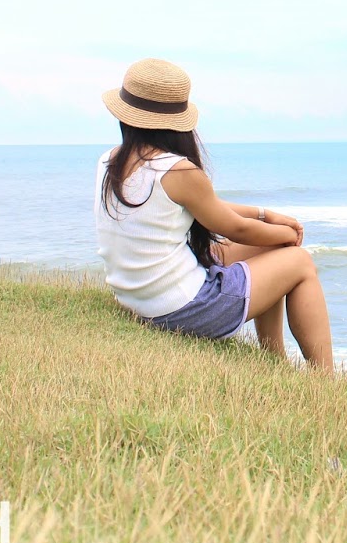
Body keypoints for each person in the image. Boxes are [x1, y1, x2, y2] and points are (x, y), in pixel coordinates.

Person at [95, 58, 333, 372]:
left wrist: (265, 215)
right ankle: (325, 377)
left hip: (139, 299)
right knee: (299, 261)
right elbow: (237, 230)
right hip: (183, 310)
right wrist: (288, 236)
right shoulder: (176, 170)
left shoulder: (110, 160)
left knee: (275, 250)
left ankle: (275, 361)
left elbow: (209, 207)